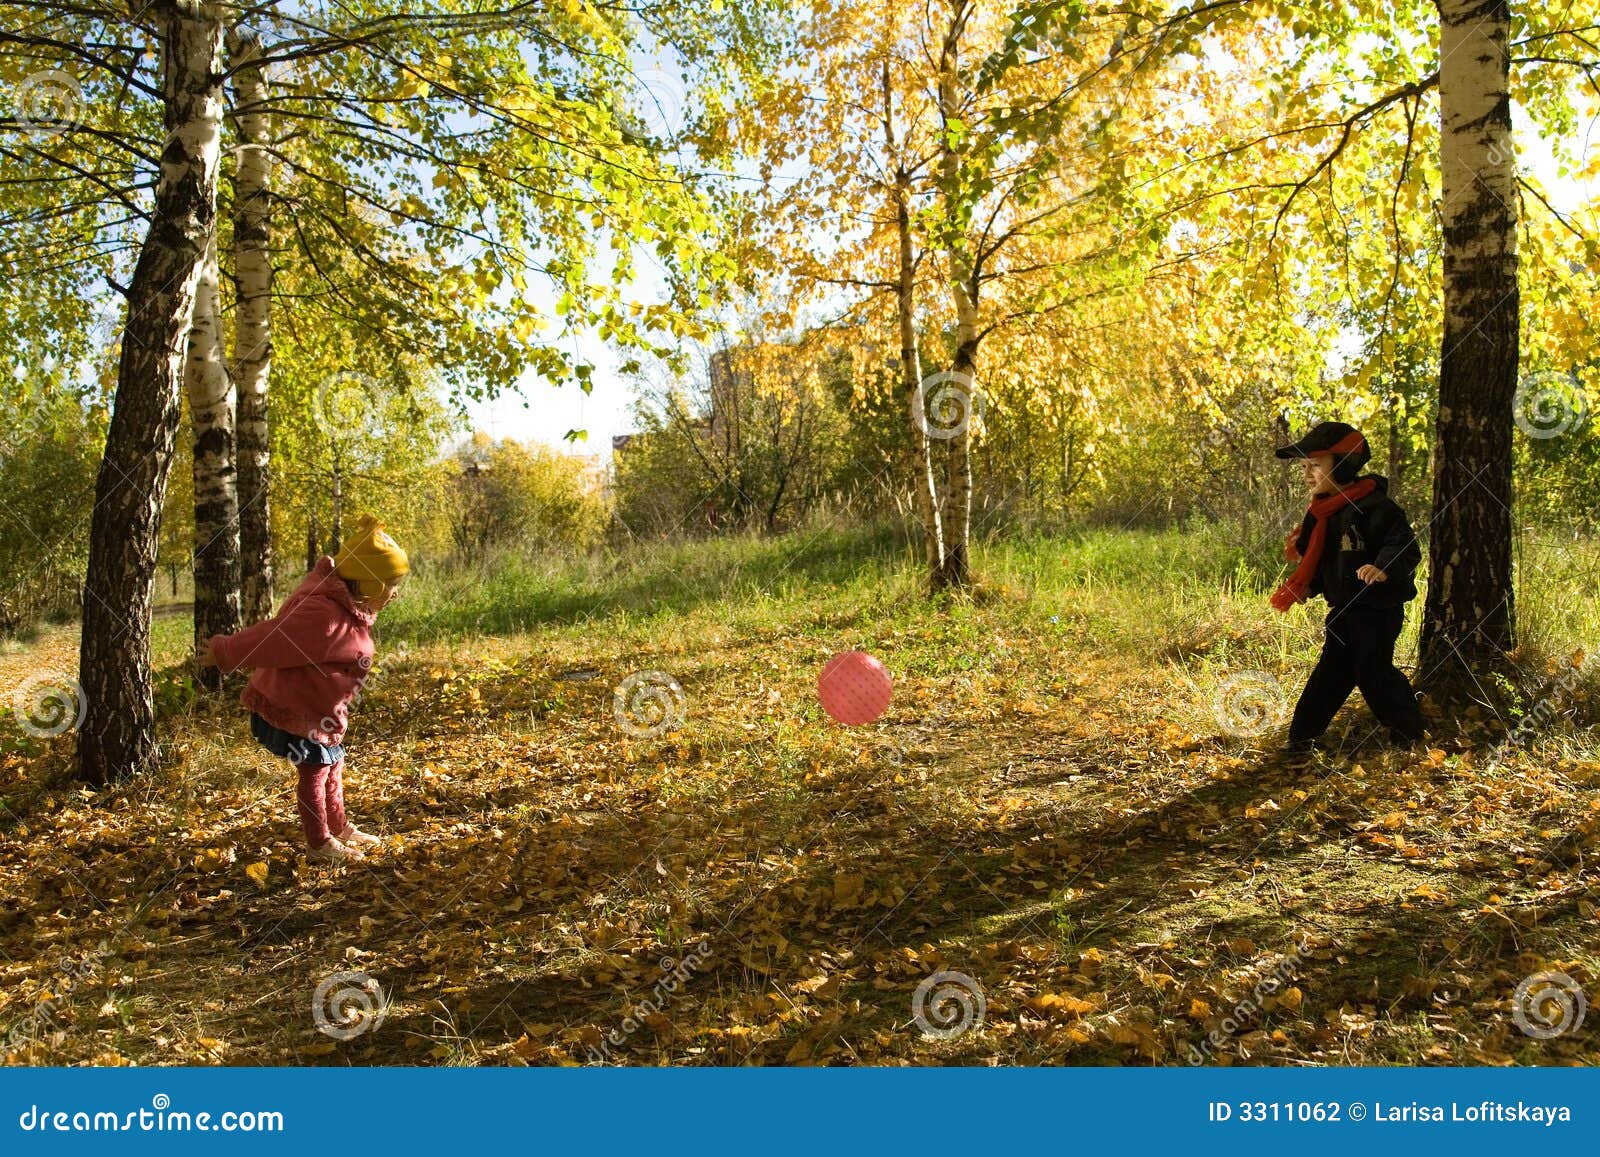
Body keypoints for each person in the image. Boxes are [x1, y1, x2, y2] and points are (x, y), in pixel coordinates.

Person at [199, 515, 409, 863]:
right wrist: (226, 650)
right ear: (369, 584)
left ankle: (338, 826)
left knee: (333, 766)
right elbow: (274, 637)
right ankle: (319, 843)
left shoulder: (346, 609)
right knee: (315, 772)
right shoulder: (324, 615)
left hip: (322, 710)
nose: (395, 593)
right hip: (299, 709)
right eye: (391, 585)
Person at [1270, 421, 1426, 752]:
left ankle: (1409, 732)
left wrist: (1383, 566)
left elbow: (1404, 544)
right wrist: (1308, 586)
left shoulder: (1375, 506)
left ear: (1343, 464)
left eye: (1315, 465)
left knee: (1372, 671)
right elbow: (1322, 559)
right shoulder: (1320, 513)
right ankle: (1302, 737)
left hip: (1377, 610)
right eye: (1304, 467)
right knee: (1332, 671)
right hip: (1343, 609)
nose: (1307, 474)